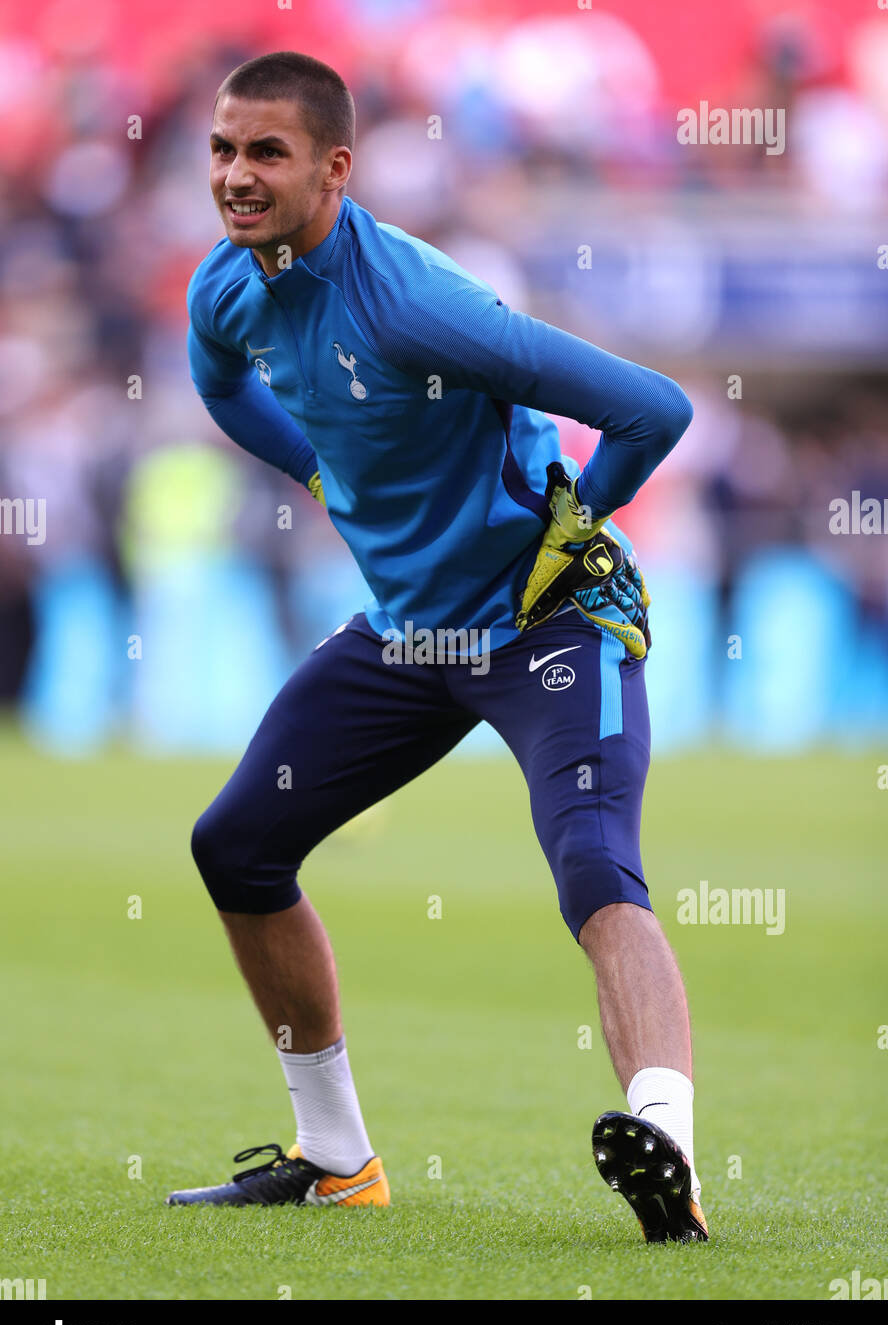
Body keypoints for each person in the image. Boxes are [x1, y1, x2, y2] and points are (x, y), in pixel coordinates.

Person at [166, 50, 705, 1243]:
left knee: (592, 861)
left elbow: (652, 408)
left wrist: (575, 519)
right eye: (222, 149)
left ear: (335, 169)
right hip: (412, 637)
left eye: (266, 153)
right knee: (235, 846)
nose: (236, 175)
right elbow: (221, 387)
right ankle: (335, 1158)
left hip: (545, 621)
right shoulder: (224, 286)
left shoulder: (417, 303)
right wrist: (316, 470)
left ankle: (665, 1142)